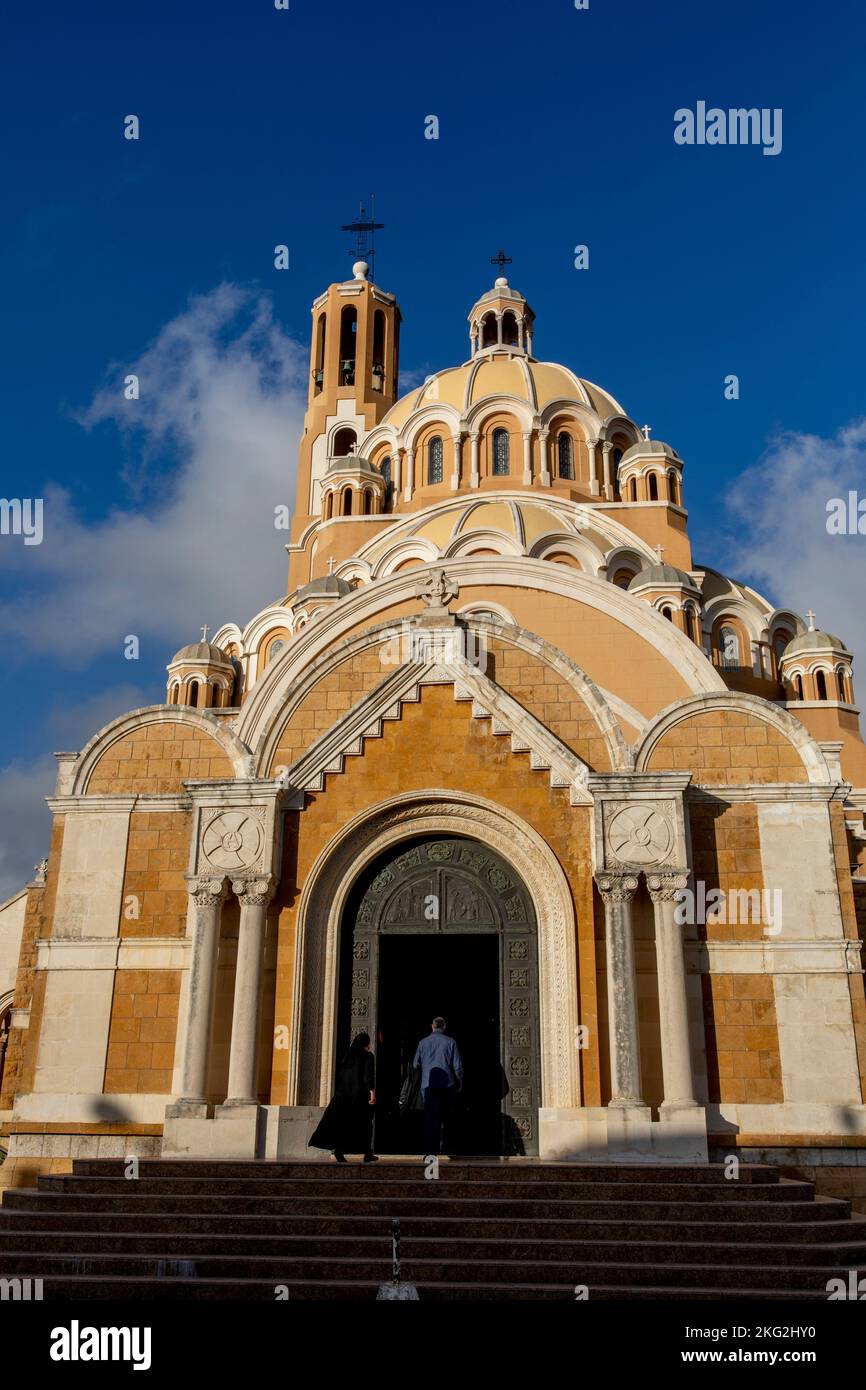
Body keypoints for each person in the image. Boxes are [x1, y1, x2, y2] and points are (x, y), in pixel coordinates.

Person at [308, 1032, 378, 1163]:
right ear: (366, 1043)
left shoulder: (348, 1056)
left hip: (343, 1096)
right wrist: (372, 1093)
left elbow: (341, 1076)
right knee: (366, 1125)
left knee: (343, 1124)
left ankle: (339, 1151)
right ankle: (367, 1153)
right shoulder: (368, 1056)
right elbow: (368, 1077)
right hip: (359, 1097)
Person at [413, 1016, 463, 1156]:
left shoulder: (422, 1042)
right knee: (446, 1118)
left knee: (430, 1117)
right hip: (447, 1086)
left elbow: (415, 1064)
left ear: (432, 1026)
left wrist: (426, 1069)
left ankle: (431, 1150)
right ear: (444, 1027)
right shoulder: (451, 1042)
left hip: (428, 1085)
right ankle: (444, 1148)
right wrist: (460, 1082)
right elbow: (458, 1066)